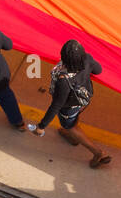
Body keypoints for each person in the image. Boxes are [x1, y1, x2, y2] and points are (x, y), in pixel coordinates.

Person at [28, 39, 111, 168]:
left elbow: (56, 105)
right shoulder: (87, 60)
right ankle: (72, 137)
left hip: (69, 107)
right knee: (73, 119)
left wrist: (41, 126)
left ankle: (98, 152)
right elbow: (98, 70)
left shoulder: (63, 81)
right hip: (83, 100)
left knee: (69, 125)